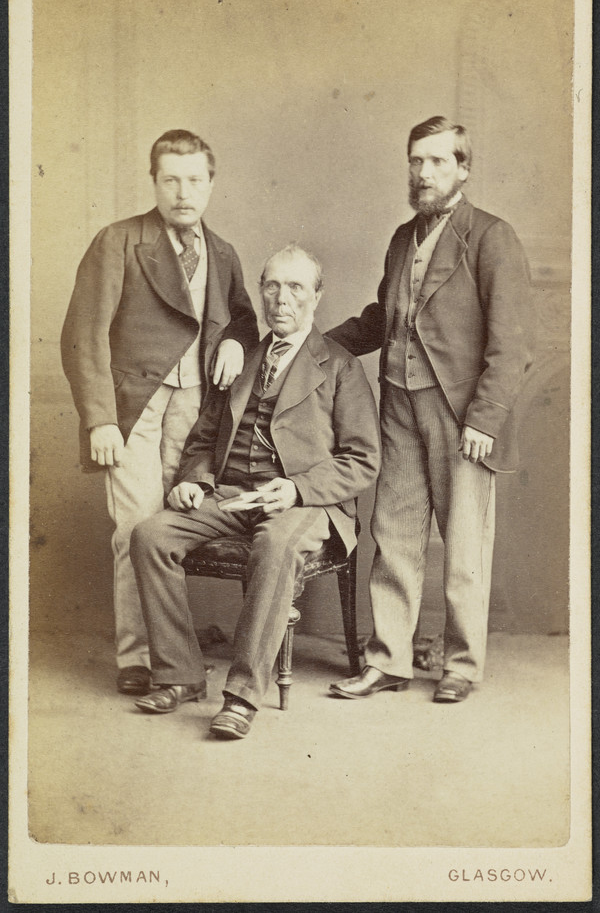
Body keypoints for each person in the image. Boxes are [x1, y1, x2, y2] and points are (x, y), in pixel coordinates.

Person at [128, 245, 381, 739]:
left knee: (277, 544)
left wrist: (296, 487)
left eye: (295, 287)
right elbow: (203, 438)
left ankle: (242, 695)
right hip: (232, 494)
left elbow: (362, 459)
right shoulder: (242, 358)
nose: (281, 299)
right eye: (272, 286)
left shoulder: (340, 366)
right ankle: (181, 675)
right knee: (149, 536)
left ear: (317, 297)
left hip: (310, 502)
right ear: (261, 292)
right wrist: (193, 481)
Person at [327, 115, 535, 704]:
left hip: (461, 413)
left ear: (462, 169)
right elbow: (382, 318)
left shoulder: (491, 237)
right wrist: (319, 348)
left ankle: (462, 665)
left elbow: (512, 343)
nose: (424, 173)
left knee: (464, 544)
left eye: (438, 161)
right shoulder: (402, 237)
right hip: (398, 405)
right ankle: (388, 659)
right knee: (393, 535)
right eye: (417, 161)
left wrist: (484, 419)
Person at [61, 130, 259, 696]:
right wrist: (100, 418)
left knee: (173, 526)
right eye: (170, 179)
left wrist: (236, 343)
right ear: (154, 182)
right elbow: (83, 334)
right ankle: (138, 657)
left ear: (211, 184)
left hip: (197, 409)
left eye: (194, 179)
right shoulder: (119, 241)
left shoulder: (221, 253)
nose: (182, 192)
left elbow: (241, 318)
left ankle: (175, 654)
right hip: (135, 409)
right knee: (136, 528)